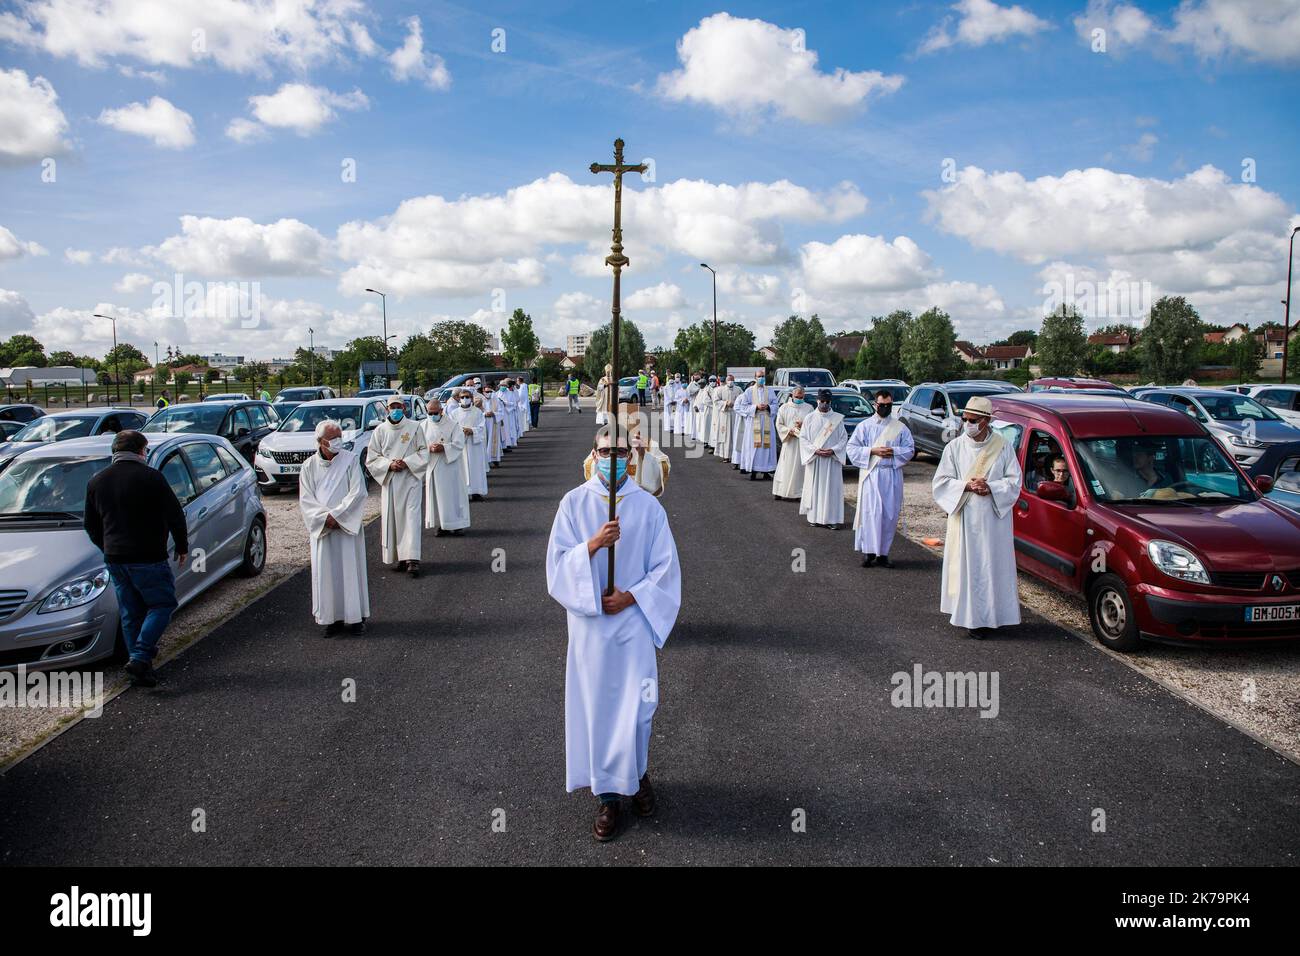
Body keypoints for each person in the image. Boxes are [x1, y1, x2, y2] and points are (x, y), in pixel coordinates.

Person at [546, 427, 681, 843]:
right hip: (591, 628)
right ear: (593, 453)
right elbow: (556, 568)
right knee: (600, 711)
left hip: (633, 623)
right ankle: (608, 796)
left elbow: (666, 568)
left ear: (631, 455)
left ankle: (638, 776)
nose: (612, 456)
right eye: (605, 450)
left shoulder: (648, 508)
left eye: (619, 450)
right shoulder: (574, 502)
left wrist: (631, 597)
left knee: (639, 708)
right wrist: (592, 544)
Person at [83, 430, 188, 687]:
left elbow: (91, 524)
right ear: (142, 450)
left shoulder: (97, 481)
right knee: (162, 605)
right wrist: (182, 546)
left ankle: (140, 668)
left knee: (130, 612)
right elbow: (175, 514)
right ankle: (141, 655)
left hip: (115, 558)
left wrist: (106, 546)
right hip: (148, 556)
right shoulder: (152, 478)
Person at [932, 396, 1021, 639]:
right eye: (965, 419)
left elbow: (1014, 482)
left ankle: (992, 616)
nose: (967, 424)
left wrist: (991, 486)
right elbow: (940, 482)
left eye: (972, 420)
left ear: (985, 421)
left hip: (993, 521)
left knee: (990, 567)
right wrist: (967, 486)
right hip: (965, 518)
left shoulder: (1003, 447)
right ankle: (970, 617)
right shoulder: (955, 447)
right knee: (968, 568)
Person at [298, 420, 369, 636]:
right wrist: (324, 518)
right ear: (320, 441)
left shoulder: (350, 460)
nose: (338, 442)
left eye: (340, 437)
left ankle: (356, 618)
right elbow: (306, 499)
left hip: (345, 527)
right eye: (333, 439)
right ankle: (332, 619)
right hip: (324, 529)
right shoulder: (308, 466)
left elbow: (358, 492)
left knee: (350, 571)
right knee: (327, 573)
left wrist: (338, 515)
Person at [847, 389, 915, 568]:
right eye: (882, 405)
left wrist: (894, 452)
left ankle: (883, 553)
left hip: (892, 474)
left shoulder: (899, 427)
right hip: (872, 474)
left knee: (888, 514)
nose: (885, 408)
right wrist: (872, 451)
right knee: (871, 513)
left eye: (889, 405)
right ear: (875, 405)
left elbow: (910, 449)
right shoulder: (865, 426)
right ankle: (869, 552)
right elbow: (852, 448)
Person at [366, 395, 428, 577]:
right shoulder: (380, 431)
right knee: (393, 519)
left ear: (404, 408)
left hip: (410, 478)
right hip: (391, 479)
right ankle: (400, 557)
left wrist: (407, 462)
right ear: (387, 410)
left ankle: (413, 559)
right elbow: (372, 458)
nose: (396, 409)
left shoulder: (415, 427)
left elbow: (423, 451)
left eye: (399, 406)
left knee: (411, 518)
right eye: (392, 406)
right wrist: (388, 465)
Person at [420, 396, 471, 536]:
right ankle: (441, 525)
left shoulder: (453, 425)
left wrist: (444, 448)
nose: (432, 416)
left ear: (441, 411)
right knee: (438, 498)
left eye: (435, 413)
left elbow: (459, 443)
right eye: (429, 413)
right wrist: (428, 448)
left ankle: (457, 524)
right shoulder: (423, 426)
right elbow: (418, 446)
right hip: (433, 467)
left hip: (450, 466)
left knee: (453, 495)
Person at [798, 389, 848, 529]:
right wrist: (815, 450)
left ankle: (832, 519)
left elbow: (844, 438)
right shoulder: (810, 418)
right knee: (815, 489)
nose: (824, 404)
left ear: (830, 402)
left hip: (831, 460)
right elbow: (803, 438)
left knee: (832, 490)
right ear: (817, 401)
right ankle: (814, 517)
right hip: (816, 460)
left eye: (827, 402)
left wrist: (833, 450)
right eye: (822, 401)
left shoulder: (837, 419)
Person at [734, 372, 777, 479]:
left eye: (763, 376)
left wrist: (768, 407)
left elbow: (776, 404)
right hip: (754, 422)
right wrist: (756, 407)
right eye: (759, 376)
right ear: (755, 378)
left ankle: (766, 471)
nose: (761, 378)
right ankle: (753, 471)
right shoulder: (748, 391)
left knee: (766, 446)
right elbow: (743, 407)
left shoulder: (770, 390)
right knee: (753, 446)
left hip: (767, 420)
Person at [450, 388, 488, 500]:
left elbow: (482, 427)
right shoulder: (454, 413)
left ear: (471, 398)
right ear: (459, 399)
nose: (465, 399)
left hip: (474, 445)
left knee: (475, 468)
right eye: (462, 397)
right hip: (460, 445)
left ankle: (476, 492)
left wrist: (472, 430)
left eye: (467, 397)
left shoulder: (477, 412)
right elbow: (451, 428)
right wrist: (462, 431)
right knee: (462, 469)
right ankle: (463, 494)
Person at [773, 386, 809, 500]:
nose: (799, 399)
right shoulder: (784, 408)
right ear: (792, 396)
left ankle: (798, 493)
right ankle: (780, 491)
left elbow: (813, 425)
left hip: (801, 444)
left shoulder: (809, 408)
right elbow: (779, 424)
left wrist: (803, 425)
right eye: (796, 397)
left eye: (801, 397)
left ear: (804, 396)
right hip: (788, 442)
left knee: (799, 468)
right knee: (784, 467)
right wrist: (789, 431)